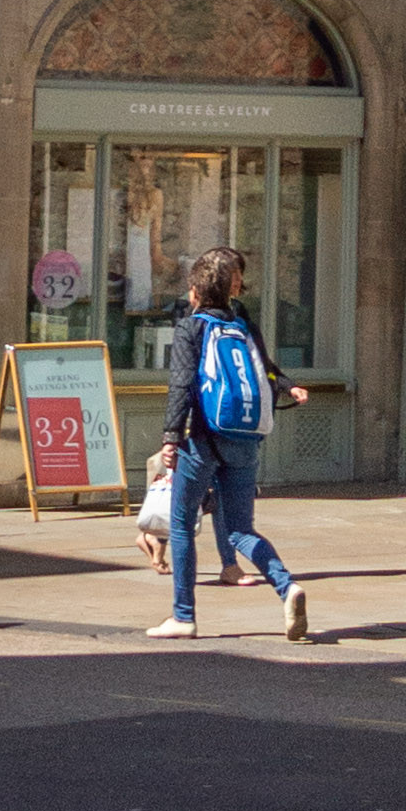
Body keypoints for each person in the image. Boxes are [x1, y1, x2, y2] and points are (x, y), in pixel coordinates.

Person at [142, 249, 311, 646]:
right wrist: (289, 386)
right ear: (228, 287)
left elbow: (181, 386)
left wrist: (170, 437)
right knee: (239, 530)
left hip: (201, 440)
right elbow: (265, 367)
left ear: (197, 289)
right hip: (245, 439)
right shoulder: (242, 325)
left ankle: (183, 616)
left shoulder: (191, 327)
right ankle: (287, 588)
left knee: (182, 524)